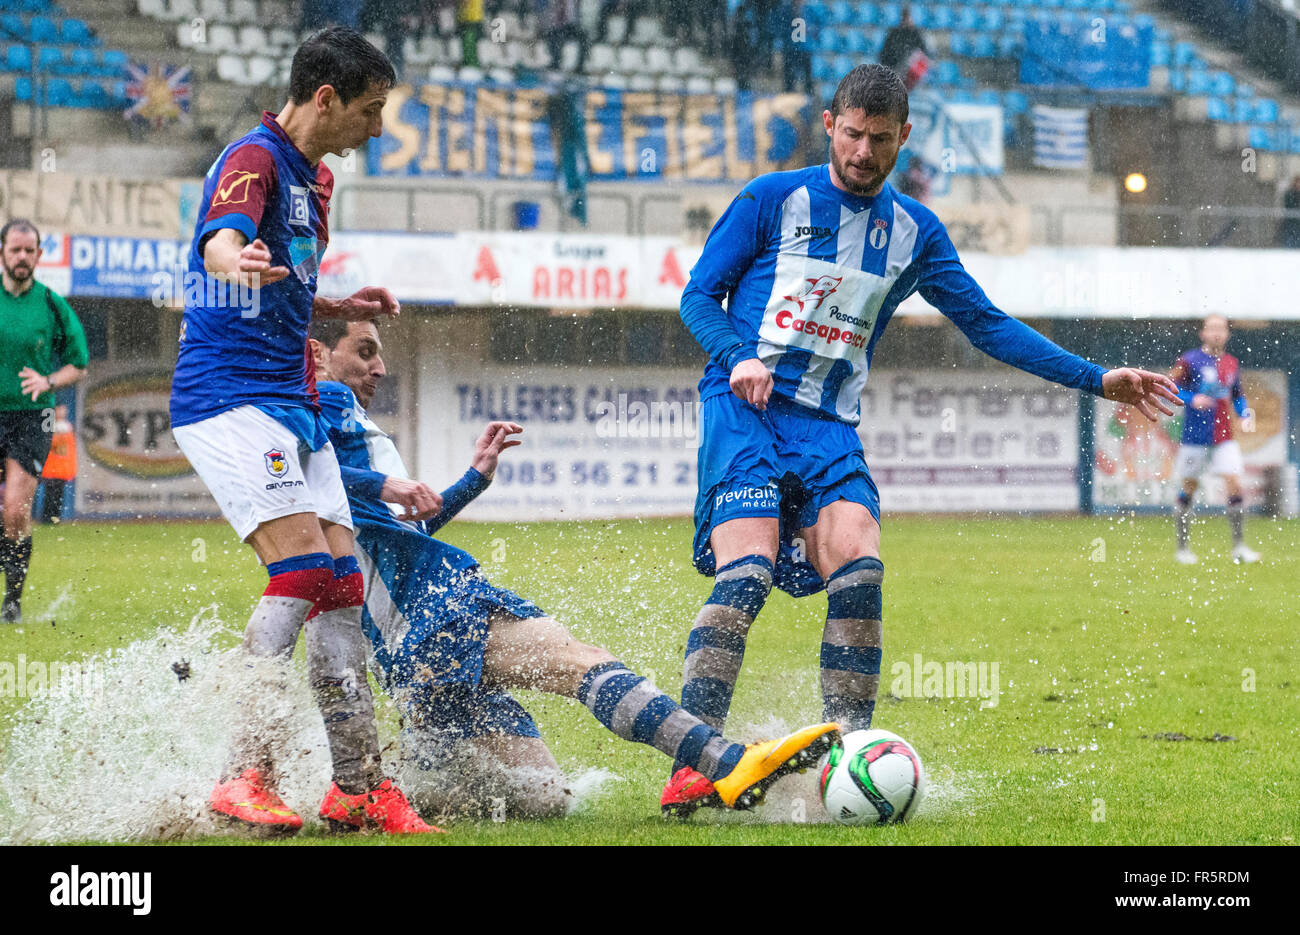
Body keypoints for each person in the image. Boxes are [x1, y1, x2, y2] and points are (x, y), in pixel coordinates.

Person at [667, 64, 1182, 817]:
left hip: (829, 427)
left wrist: (1096, 378)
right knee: (744, 576)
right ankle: (696, 761)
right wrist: (738, 355)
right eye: (851, 133)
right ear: (829, 123)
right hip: (746, 410)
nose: (863, 151)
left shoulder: (914, 231)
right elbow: (695, 296)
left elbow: (986, 322)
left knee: (862, 571)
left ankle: (850, 753)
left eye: (880, 139)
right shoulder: (772, 199)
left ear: (903, 137)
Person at [308, 317, 843, 819]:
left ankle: (367, 787)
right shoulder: (324, 400)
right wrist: (387, 484)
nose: (378, 367)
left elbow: (404, 528)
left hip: (404, 646)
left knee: (542, 800)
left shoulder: (344, 425)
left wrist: (473, 479)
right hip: (434, 610)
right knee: (579, 661)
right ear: (317, 354)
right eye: (364, 351)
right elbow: (313, 472)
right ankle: (726, 764)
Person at [168, 27, 436, 836]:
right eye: (370, 109)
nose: (378, 128)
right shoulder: (254, 159)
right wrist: (228, 259)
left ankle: (357, 785)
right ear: (326, 98)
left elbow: (283, 279)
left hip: (292, 398)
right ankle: (240, 773)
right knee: (303, 570)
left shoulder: (315, 179)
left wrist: (340, 307)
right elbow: (222, 241)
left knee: (344, 588)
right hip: (228, 398)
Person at [0, 219, 88, 623]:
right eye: (15, 249)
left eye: (29, 250)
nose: (22, 257)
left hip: (33, 416)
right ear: (3, 252)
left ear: (38, 254)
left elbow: (79, 365)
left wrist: (48, 380)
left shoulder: (51, 303)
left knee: (15, 510)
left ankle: (11, 601)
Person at [1170, 315, 1259, 565]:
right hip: (1194, 437)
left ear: (1228, 334)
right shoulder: (1189, 360)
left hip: (1224, 437)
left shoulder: (1231, 363)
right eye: (1213, 328)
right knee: (1189, 487)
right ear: (1203, 333)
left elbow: (1237, 394)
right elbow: (1169, 388)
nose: (1217, 333)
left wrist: (1244, 414)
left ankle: (1239, 548)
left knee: (1235, 484)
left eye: (1222, 329)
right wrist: (1191, 399)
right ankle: (1182, 549)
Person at [39, 403, 76, 524]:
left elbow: (69, 450)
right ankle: (46, 518)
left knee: (58, 495)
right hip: (50, 468)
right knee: (49, 494)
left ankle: (55, 518)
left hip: (62, 469)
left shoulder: (67, 427)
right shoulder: (50, 425)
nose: (62, 412)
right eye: (60, 410)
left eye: (64, 410)